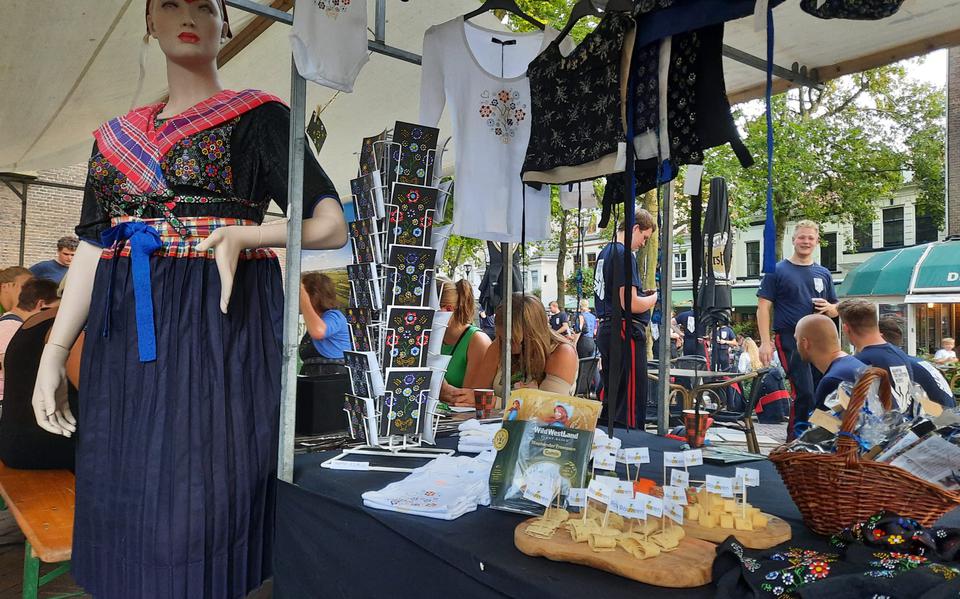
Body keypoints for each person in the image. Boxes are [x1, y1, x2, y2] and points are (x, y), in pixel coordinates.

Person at [31, 1, 346, 596]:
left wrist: (250, 234)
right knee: (124, 482)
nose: (188, 14)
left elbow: (330, 223)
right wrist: (55, 350)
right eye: (168, 4)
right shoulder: (114, 139)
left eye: (205, 4)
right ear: (148, 22)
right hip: (124, 326)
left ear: (225, 22)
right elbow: (98, 245)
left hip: (217, 320)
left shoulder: (261, 118)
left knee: (202, 491)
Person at [757, 220, 838, 439]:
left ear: (817, 242)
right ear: (793, 240)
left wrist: (832, 308)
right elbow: (764, 307)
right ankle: (795, 441)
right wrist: (765, 342)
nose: (806, 242)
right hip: (791, 338)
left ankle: (819, 439)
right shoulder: (777, 271)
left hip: (821, 341)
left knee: (825, 391)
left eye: (810, 238)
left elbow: (835, 308)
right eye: (802, 237)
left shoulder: (823, 273)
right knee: (805, 392)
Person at [0, 297, 82, 471]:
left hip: (18, 441)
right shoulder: (70, 328)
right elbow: (95, 393)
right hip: (40, 446)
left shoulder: (38, 319)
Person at [594, 207, 658, 429]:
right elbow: (629, 303)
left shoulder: (605, 252)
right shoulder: (623, 254)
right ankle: (631, 443)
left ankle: (612, 441)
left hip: (607, 327)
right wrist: (653, 298)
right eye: (644, 237)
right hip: (623, 330)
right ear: (635, 228)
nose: (643, 243)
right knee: (630, 398)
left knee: (613, 394)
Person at [467, 293, 578, 399]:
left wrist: (491, 402)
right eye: (501, 336)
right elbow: (476, 392)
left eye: (513, 338)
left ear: (531, 332)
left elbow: (547, 409)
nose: (506, 344)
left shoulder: (562, 352)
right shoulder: (500, 344)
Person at [838, 299, 918, 406]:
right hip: (904, 419)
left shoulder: (861, 362)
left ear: (846, 328)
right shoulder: (899, 354)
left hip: (881, 421)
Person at [0, 279, 60, 405]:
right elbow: (14, 377)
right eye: (57, 309)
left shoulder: (14, 325)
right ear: (42, 305)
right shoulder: (12, 328)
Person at [795, 314, 866, 415]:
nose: (796, 346)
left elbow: (823, 429)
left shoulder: (832, 380)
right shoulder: (853, 365)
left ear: (805, 343)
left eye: (796, 340)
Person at [879, 316, 956, 408]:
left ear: (881, 337)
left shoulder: (899, 365)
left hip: (938, 419)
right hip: (949, 415)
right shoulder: (918, 362)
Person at [437, 277, 491, 406]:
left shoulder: (477, 341)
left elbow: (465, 401)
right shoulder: (432, 337)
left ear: (448, 310)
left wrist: (438, 387)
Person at [299, 272, 351, 375]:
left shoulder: (334, 316)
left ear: (314, 296)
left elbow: (318, 331)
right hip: (313, 379)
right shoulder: (316, 320)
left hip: (331, 381)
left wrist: (303, 297)